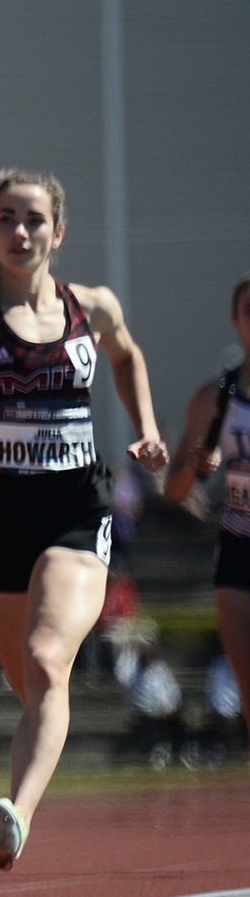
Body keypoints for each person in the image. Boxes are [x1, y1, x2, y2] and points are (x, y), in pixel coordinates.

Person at [0, 167, 167, 871]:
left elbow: (128, 354)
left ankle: (16, 814)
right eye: (5, 219)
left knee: (48, 659)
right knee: (28, 683)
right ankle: (19, 810)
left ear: (58, 232)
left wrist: (144, 427)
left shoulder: (92, 307)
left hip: (75, 508)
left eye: (32, 220)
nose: (18, 232)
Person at [163, 272, 250, 761]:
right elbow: (175, 489)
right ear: (235, 319)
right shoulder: (216, 398)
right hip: (237, 548)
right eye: (248, 309)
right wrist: (196, 465)